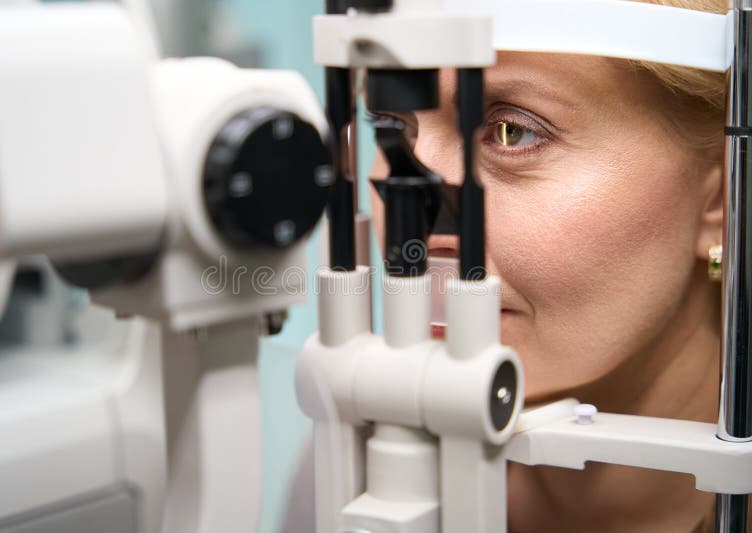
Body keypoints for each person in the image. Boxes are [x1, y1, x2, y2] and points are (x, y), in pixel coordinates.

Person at [283, 0, 744, 531]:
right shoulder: (353, 471)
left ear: (725, 191)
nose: (416, 217)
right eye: (393, 126)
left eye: (512, 132)